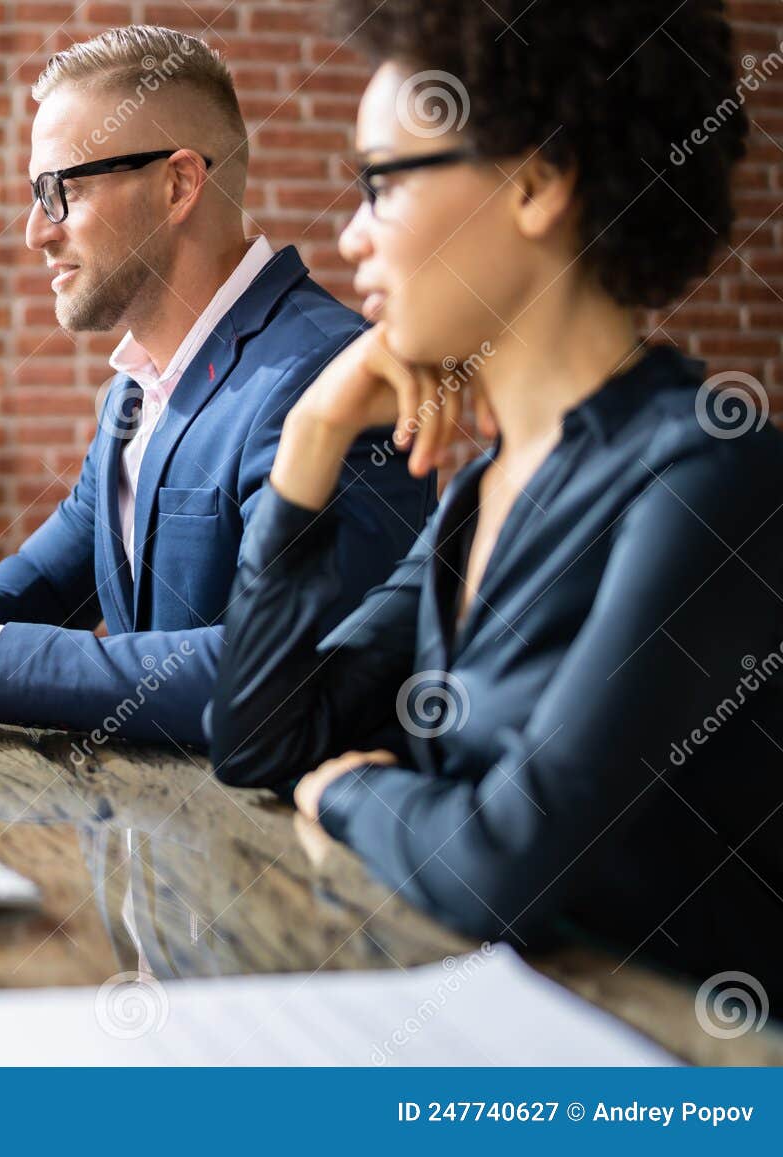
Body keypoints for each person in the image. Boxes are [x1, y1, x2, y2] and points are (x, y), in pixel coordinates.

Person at [210, 0, 783, 993]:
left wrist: (354, 790)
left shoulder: (711, 473)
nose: (349, 237)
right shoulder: (481, 488)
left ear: (537, 181)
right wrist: (310, 435)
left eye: (381, 184)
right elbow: (261, 737)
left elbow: (502, 862)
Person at [0, 26, 433, 746]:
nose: (35, 233)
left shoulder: (329, 377)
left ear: (176, 185)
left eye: (60, 191)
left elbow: (278, 673)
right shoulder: (138, 385)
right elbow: (65, 559)